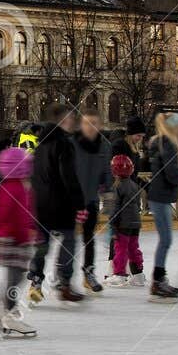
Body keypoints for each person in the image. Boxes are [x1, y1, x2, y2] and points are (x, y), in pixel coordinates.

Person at [27, 104, 86, 304]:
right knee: (68, 242)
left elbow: (34, 174)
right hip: (61, 203)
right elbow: (68, 175)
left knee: (42, 244)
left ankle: (35, 280)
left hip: (41, 203)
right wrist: (80, 203)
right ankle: (64, 283)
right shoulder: (63, 143)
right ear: (62, 121)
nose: (73, 123)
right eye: (70, 119)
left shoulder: (41, 143)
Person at [0, 146, 38, 336]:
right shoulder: (20, 187)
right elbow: (21, 215)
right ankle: (9, 315)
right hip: (15, 238)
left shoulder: (4, 186)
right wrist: (25, 237)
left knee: (15, 276)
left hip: (6, 238)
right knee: (15, 277)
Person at [144, 112, 178, 301]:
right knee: (166, 240)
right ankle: (158, 280)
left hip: (159, 196)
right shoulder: (168, 143)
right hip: (160, 196)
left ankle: (159, 278)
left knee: (166, 239)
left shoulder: (161, 142)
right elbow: (171, 173)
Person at [73, 114, 112, 294]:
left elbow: (106, 174)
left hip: (91, 200)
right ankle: (62, 277)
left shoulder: (104, 146)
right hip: (71, 200)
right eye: (87, 123)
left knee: (89, 238)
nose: (90, 126)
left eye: (94, 123)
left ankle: (88, 273)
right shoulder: (72, 144)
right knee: (67, 239)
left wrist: (109, 198)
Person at [106, 154, 145, 287]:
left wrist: (112, 223)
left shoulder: (116, 187)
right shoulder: (134, 185)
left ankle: (119, 275)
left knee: (120, 248)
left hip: (123, 223)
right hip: (135, 223)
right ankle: (138, 275)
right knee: (133, 248)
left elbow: (115, 208)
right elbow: (138, 206)